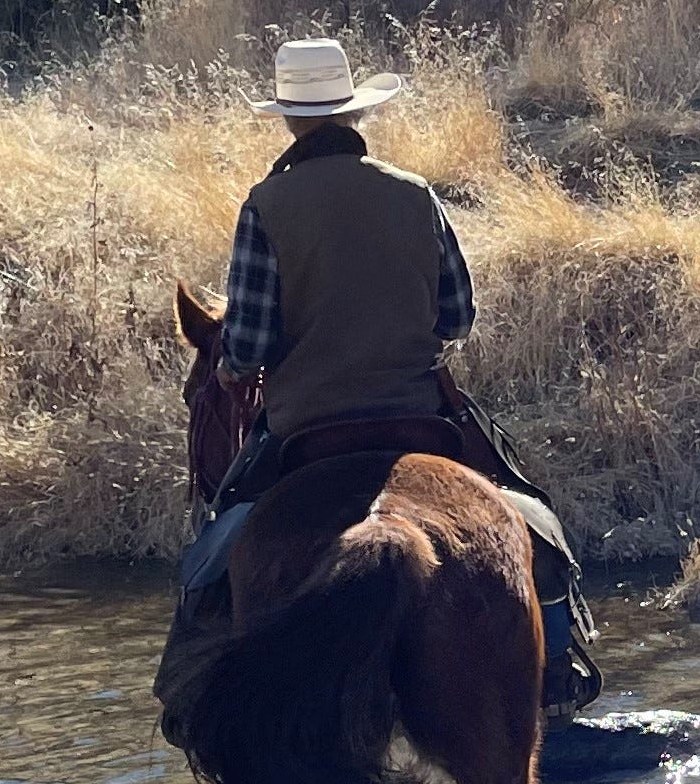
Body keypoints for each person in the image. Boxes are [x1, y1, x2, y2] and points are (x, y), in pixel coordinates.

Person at [202, 36, 599, 710]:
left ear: (290, 119)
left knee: (215, 551)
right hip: (419, 413)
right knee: (536, 523)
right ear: (354, 112)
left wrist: (230, 369)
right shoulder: (415, 194)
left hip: (305, 426)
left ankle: (199, 698)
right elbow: (458, 316)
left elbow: (249, 342)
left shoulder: (265, 204)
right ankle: (557, 669)